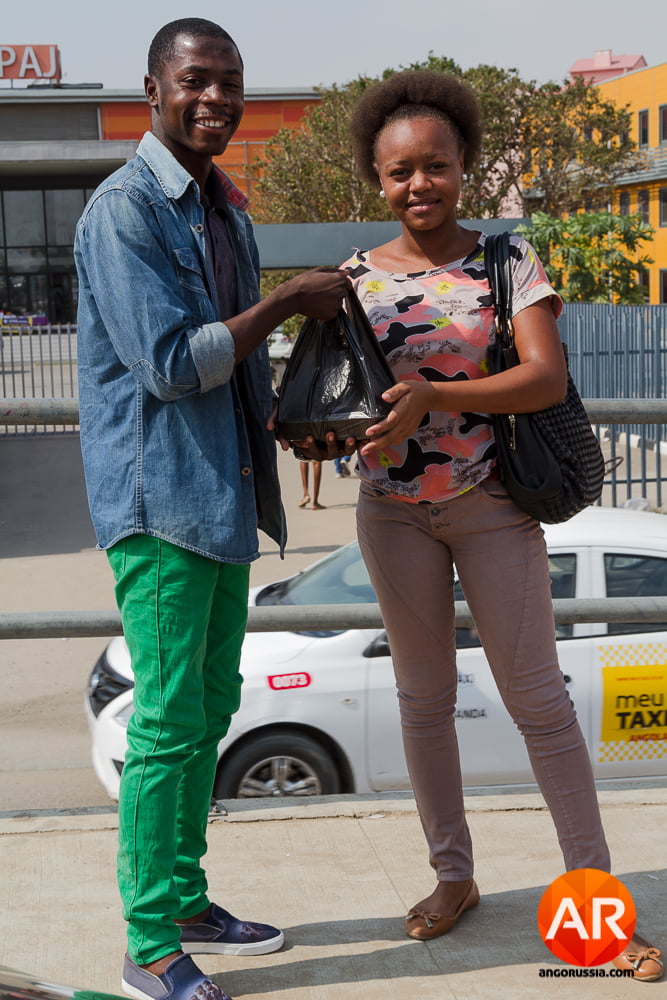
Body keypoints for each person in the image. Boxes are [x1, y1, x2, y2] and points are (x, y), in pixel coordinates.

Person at [337, 69, 661, 981]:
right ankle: (453, 878)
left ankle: (596, 908)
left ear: (464, 167)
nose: (418, 186)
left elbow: (544, 377)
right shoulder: (353, 282)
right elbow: (341, 394)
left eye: (435, 166)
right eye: (399, 172)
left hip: (489, 505)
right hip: (391, 513)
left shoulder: (505, 261)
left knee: (540, 706)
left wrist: (436, 396)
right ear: (377, 177)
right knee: (422, 702)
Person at [74, 18, 349, 1000]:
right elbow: (170, 361)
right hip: (159, 506)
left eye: (229, 83)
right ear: (152, 87)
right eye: (195, 81)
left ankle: (186, 900)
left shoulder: (224, 210)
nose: (215, 99)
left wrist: (288, 419)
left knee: (210, 709)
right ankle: (151, 943)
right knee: (167, 724)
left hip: (225, 499)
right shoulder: (125, 212)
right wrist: (284, 303)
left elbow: (229, 375)